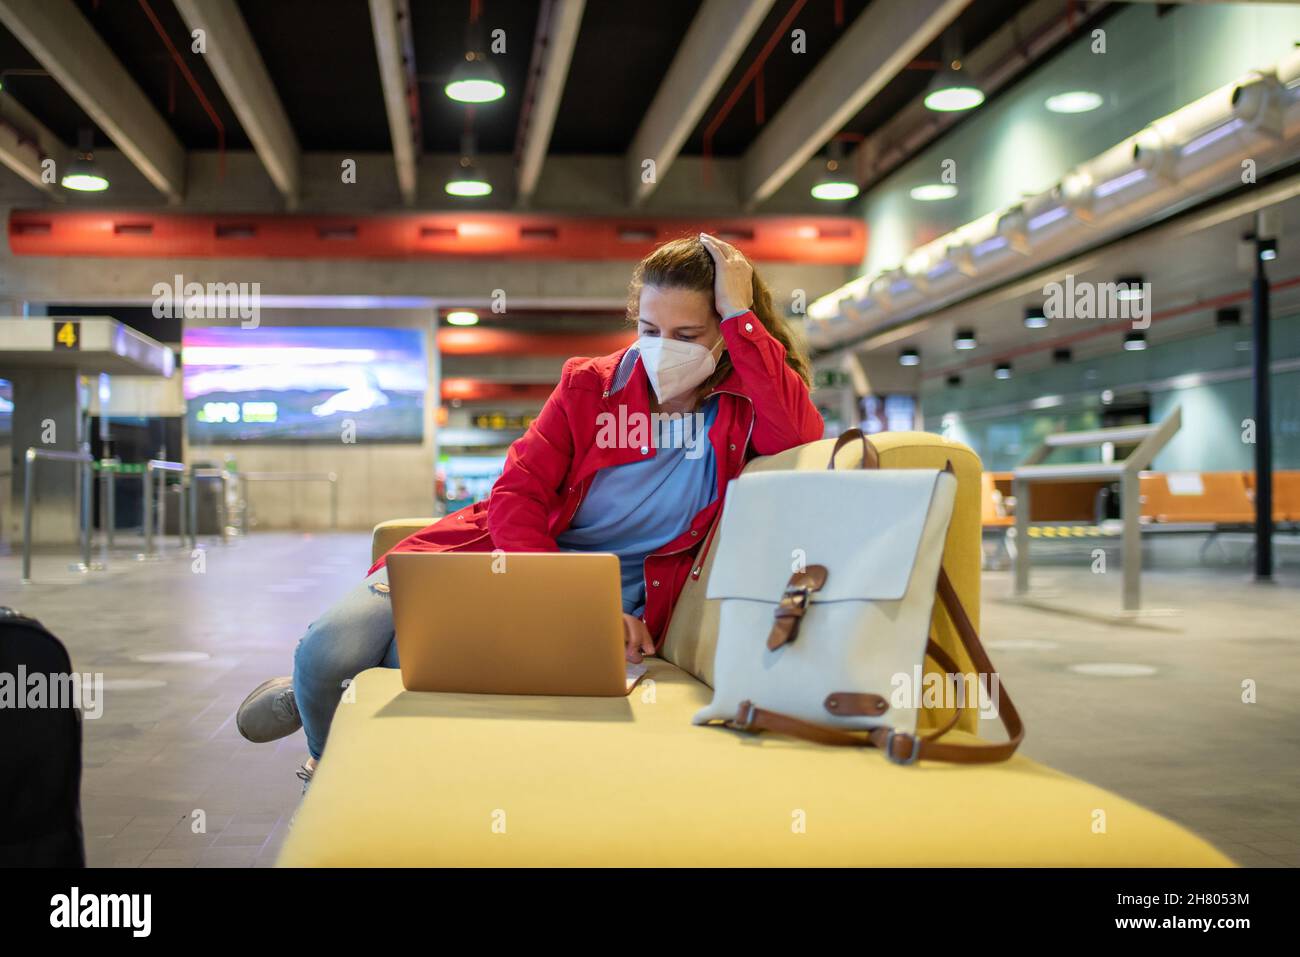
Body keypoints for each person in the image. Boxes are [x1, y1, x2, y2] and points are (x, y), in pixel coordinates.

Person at [235, 233, 823, 788]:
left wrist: (744, 317)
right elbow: (518, 494)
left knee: (392, 661)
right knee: (328, 651)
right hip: (503, 560)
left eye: (688, 335)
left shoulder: (744, 408)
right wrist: (571, 602)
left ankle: (324, 765)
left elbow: (800, 435)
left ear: (726, 332)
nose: (662, 350)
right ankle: (309, 700)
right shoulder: (589, 387)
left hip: (624, 604)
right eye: (648, 328)